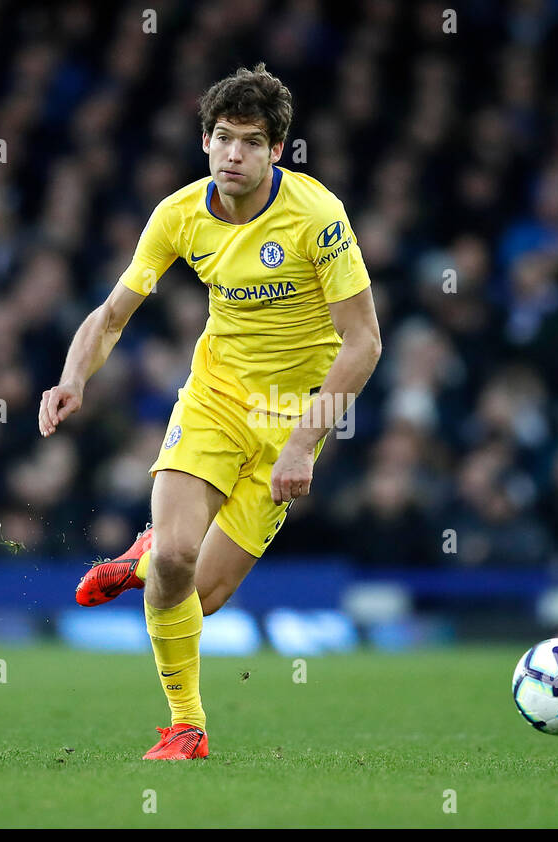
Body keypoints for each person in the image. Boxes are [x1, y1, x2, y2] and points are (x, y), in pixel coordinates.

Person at [38, 63, 381, 760]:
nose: (234, 154)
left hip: (290, 419)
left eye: (252, 142)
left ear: (277, 151)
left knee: (202, 593)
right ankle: (186, 727)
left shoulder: (317, 217)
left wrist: (303, 443)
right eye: (224, 137)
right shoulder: (178, 215)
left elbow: (365, 341)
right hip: (214, 401)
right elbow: (110, 316)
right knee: (177, 557)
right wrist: (72, 376)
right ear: (204, 140)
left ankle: (141, 559)